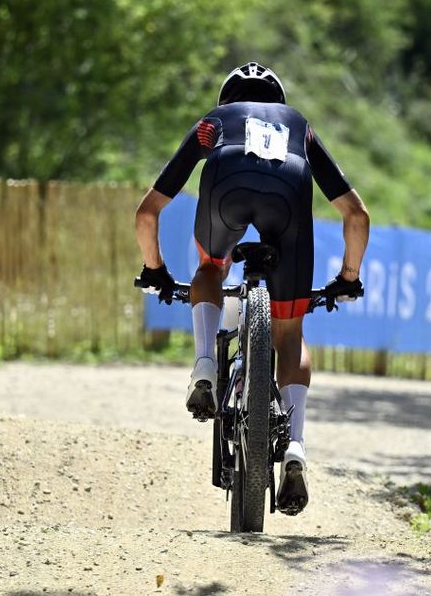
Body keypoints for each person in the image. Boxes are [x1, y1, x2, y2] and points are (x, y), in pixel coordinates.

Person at [134, 62, 369, 514]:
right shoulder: (300, 127)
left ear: (227, 100)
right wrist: (348, 278)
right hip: (289, 195)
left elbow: (147, 213)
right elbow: (357, 216)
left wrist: (155, 269)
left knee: (210, 268)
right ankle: (295, 444)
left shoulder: (215, 122)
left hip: (226, 184)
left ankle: (205, 365)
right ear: (279, 102)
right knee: (290, 333)